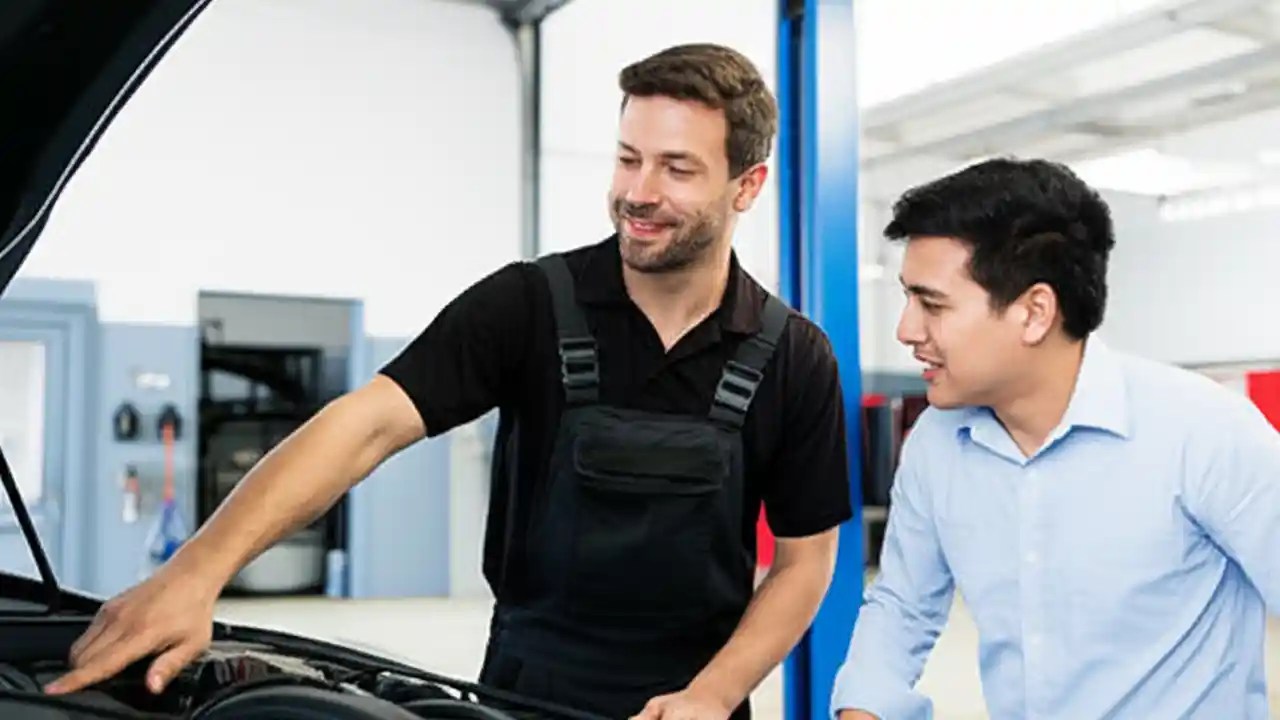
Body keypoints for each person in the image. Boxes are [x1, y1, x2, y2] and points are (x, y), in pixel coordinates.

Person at [45, 43, 854, 720]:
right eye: (627, 157)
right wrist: (196, 572)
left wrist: (714, 695)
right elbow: (360, 427)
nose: (638, 193)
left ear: (746, 185)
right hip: (521, 691)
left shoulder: (793, 355)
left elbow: (804, 563)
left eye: (677, 168)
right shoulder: (529, 305)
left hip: (697, 702)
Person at [830, 157, 1280, 720]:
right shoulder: (937, 445)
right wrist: (864, 709)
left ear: (1034, 312)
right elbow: (901, 608)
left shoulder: (1205, 432)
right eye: (907, 298)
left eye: (933, 304)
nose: (906, 330)